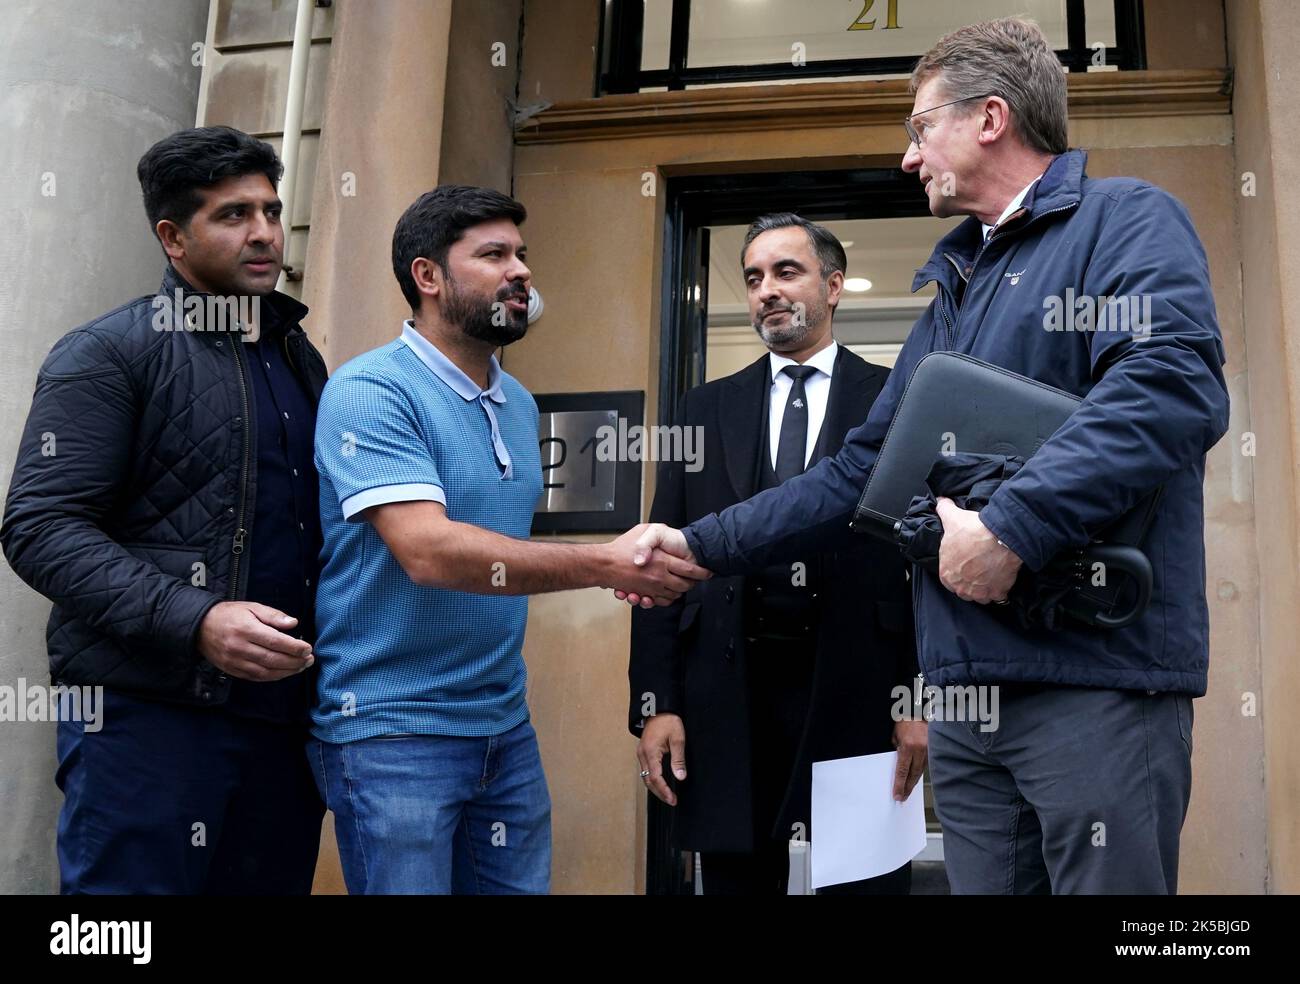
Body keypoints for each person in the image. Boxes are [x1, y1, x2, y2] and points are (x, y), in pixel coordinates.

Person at [623, 17, 1230, 895]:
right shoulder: (953, 290)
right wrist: (697, 546)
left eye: (919, 128)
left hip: (1094, 684)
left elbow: (1171, 388)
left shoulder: (1125, 221)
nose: (909, 158)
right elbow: (855, 473)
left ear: (991, 118)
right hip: (969, 701)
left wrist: (1012, 527)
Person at [309, 184, 710, 894]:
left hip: (503, 727)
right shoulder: (371, 390)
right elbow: (428, 552)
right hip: (392, 731)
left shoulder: (517, 402)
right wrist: (602, 562)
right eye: (493, 255)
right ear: (428, 277)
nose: (521, 271)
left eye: (521, 254)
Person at [2, 126, 328, 894]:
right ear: (172, 237)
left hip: (280, 724)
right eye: (233, 215)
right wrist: (197, 620)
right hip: (143, 718)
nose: (264, 234)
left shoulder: (298, 357)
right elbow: (39, 528)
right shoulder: (108, 351)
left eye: (273, 211)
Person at [629, 213, 923, 895]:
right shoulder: (702, 410)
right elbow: (656, 570)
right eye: (754, 277)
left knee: (866, 886)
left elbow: (923, 565)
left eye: (786, 271)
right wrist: (656, 703)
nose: (766, 290)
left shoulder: (896, 400)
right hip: (725, 690)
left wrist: (921, 698)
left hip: (862, 686)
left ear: (835, 285)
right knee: (736, 885)